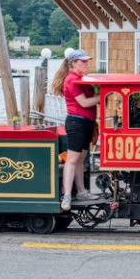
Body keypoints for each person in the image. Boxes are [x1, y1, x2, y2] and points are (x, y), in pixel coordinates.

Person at [50, 49, 100, 211]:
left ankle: (81, 191)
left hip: (86, 122)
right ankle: (67, 195)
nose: (86, 63)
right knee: (72, 159)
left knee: (81, 157)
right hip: (76, 123)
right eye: (82, 61)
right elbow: (84, 103)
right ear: (73, 63)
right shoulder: (71, 80)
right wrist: (104, 95)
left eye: (86, 61)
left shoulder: (81, 78)